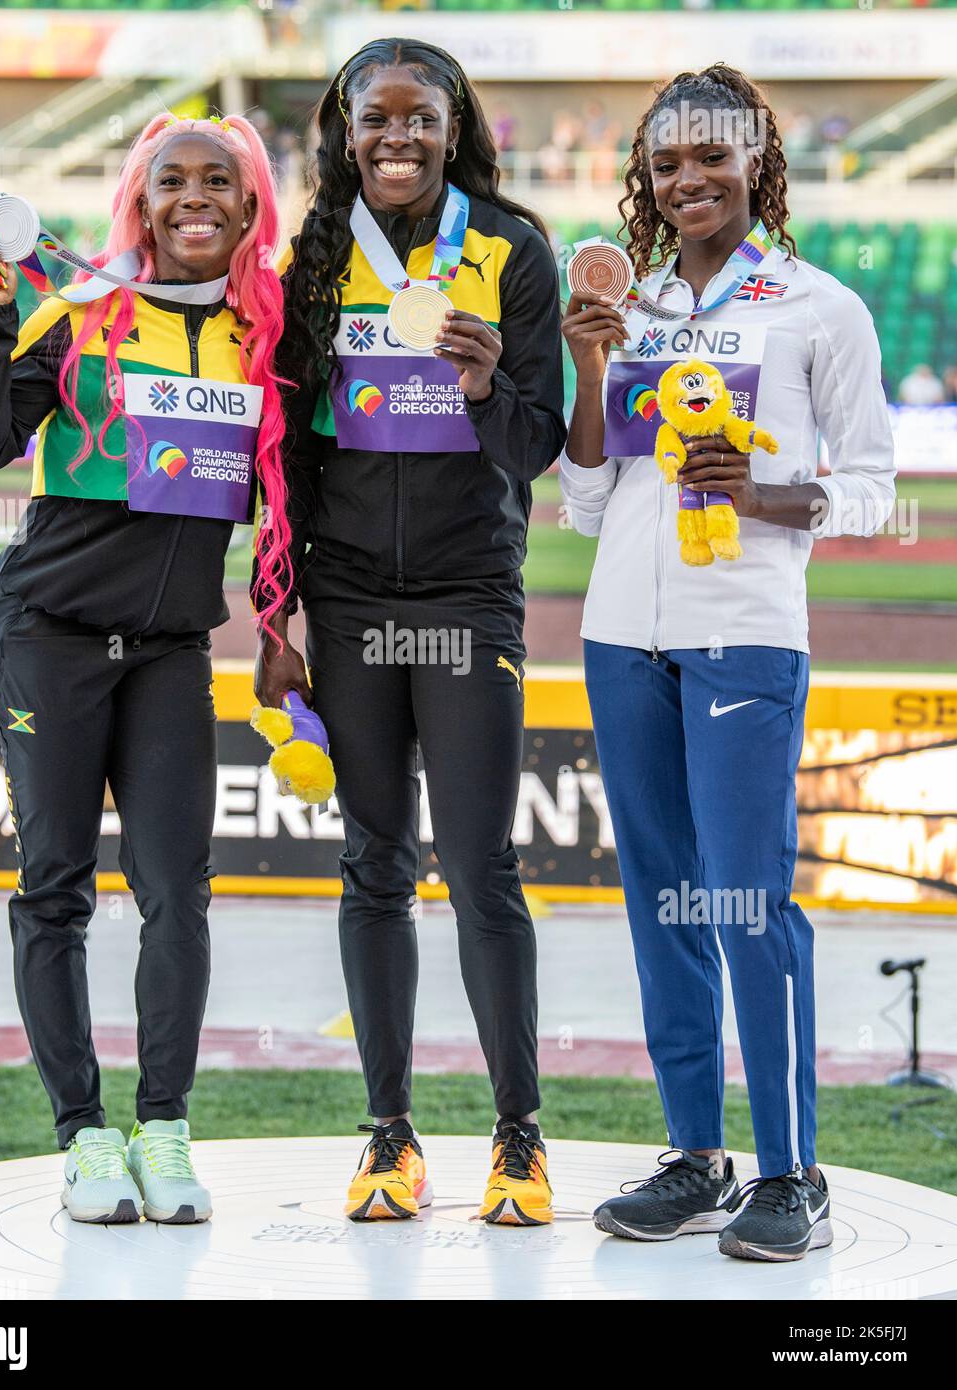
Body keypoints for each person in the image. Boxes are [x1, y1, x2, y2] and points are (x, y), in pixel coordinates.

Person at [560, 64, 895, 1261]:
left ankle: (789, 1171)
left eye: (711, 154)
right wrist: (590, 368)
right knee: (663, 900)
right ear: (645, 181)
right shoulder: (630, 302)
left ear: (756, 160)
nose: (688, 176)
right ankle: (695, 1156)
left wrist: (764, 492)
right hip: (619, 635)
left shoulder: (818, 307)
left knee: (748, 899)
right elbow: (589, 505)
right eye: (666, 161)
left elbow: (869, 487)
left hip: (745, 630)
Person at [0, 113, 290, 1225]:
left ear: (248, 208)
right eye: (170, 182)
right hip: (47, 632)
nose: (194, 197)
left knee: (176, 893)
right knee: (54, 890)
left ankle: (166, 1129)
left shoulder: (265, 333)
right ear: (141, 206)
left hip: (170, 653)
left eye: (217, 183)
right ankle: (84, 1136)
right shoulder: (82, 315)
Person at [257, 38, 566, 1225]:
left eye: (419, 118)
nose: (396, 138)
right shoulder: (316, 257)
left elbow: (538, 444)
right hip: (347, 602)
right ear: (344, 130)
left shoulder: (510, 249)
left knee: (482, 869)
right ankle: (388, 1134)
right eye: (373, 119)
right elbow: (287, 453)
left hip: (465, 597)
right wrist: (278, 602)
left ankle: (518, 1138)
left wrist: (490, 390)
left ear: (453, 126)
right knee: (374, 866)